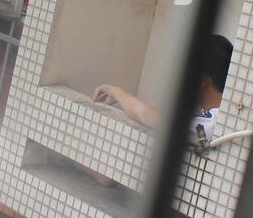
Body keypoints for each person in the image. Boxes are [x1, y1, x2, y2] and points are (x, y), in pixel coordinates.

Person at [93, 34, 234, 143]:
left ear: (202, 81)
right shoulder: (213, 114)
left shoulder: (212, 123)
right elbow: (157, 111)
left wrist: (116, 92)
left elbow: (149, 117)